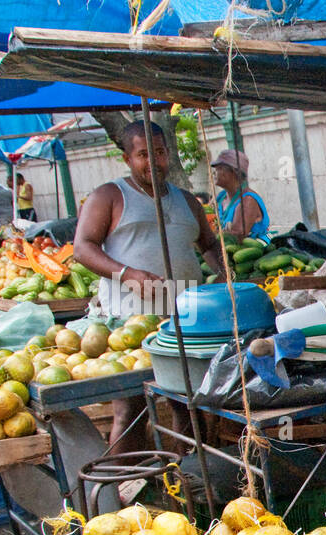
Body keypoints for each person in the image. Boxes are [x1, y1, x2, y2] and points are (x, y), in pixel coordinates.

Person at [74, 120, 224, 456]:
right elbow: (82, 248)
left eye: (159, 152)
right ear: (127, 158)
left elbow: (210, 245)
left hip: (184, 320)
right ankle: (127, 487)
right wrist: (126, 273)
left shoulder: (187, 201)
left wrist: (226, 278)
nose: (153, 161)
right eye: (143, 154)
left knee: (189, 402)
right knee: (132, 408)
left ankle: (191, 476)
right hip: (130, 319)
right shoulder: (110, 196)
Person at [211, 149, 269, 241]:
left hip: (254, 252)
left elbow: (237, 235)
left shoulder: (248, 199)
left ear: (234, 172)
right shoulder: (220, 197)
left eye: (219, 168)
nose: (214, 173)